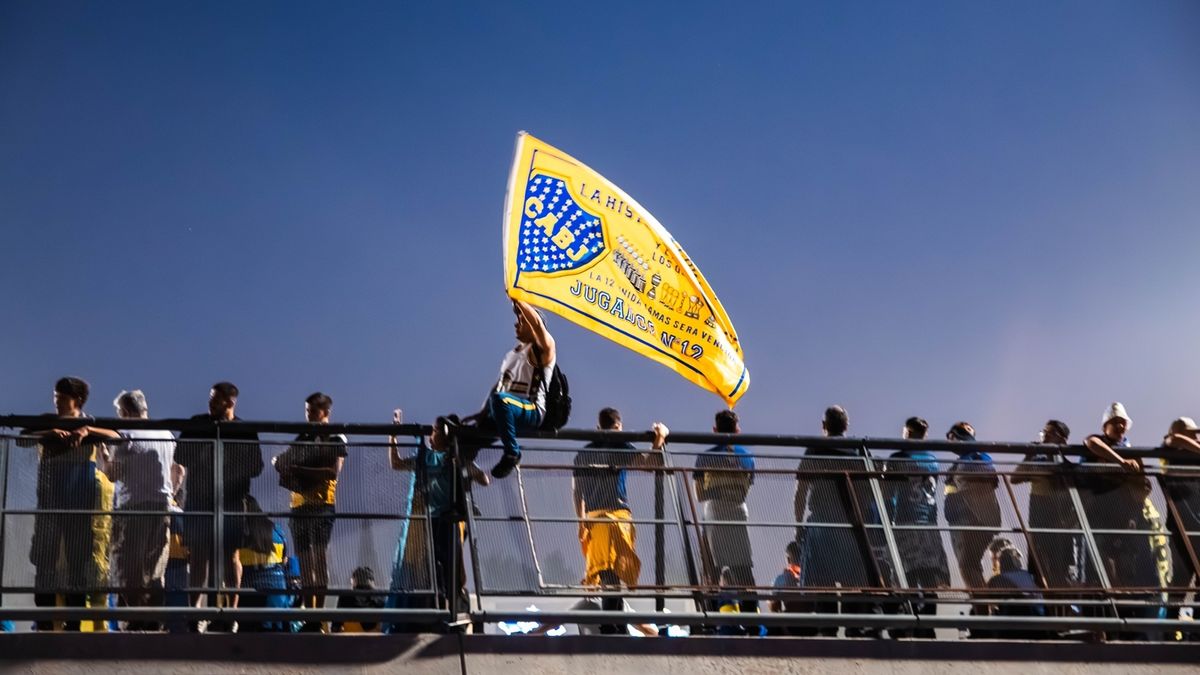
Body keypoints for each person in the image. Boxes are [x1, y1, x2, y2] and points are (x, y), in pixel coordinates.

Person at [18, 377, 113, 631]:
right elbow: (21, 438)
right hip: (49, 502)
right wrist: (49, 433)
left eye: (62, 397)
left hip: (79, 503)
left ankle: (73, 623)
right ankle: (45, 622)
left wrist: (87, 431)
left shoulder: (89, 423)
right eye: (55, 396)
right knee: (45, 560)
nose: (56, 401)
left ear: (77, 401)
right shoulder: (48, 420)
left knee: (77, 561)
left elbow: (118, 435)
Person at [386, 415, 490, 631]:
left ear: (443, 435)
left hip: (447, 521)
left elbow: (484, 479)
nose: (431, 435)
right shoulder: (427, 457)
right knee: (435, 572)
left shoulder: (453, 458)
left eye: (434, 431)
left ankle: (456, 619)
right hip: (431, 522)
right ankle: (438, 617)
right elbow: (396, 464)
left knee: (452, 572)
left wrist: (463, 466)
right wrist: (393, 435)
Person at [174, 382, 264, 629]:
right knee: (199, 555)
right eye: (210, 399)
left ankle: (230, 614)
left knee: (230, 554)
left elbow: (257, 466)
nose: (210, 404)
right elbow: (180, 456)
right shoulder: (197, 422)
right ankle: (196, 613)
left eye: (215, 400)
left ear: (230, 402)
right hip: (200, 498)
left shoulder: (244, 430)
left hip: (231, 499)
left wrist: (231, 463)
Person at [572, 408, 668, 634]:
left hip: (594, 519)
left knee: (608, 574)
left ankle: (614, 625)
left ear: (598, 428)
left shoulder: (583, 453)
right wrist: (660, 438)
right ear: (619, 427)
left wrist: (581, 520)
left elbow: (577, 492)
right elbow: (651, 465)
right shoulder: (620, 445)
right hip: (617, 516)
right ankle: (612, 626)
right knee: (613, 575)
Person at [89, 390, 176, 631]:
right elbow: (174, 470)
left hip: (132, 508)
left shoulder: (124, 435)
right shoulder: (167, 434)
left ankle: (135, 620)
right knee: (155, 567)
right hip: (162, 507)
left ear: (125, 412)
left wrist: (104, 456)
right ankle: (155, 620)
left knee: (127, 565)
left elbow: (113, 474)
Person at [1080, 403, 1166, 638]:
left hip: (1126, 519)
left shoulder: (1132, 451)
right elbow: (1091, 442)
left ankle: (1124, 627)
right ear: (1105, 425)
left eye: (1123, 423)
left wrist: (1135, 482)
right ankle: (1098, 627)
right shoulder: (1100, 444)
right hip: (1098, 517)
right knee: (1099, 572)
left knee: (1126, 575)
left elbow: (1143, 488)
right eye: (1115, 422)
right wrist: (1120, 462)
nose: (1120, 426)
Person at [792, 405, 877, 637]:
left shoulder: (816, 449)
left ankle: (828, 629)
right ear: (847, 426)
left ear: (824, 426)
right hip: (852, 524)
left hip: (822, 522)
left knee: (823, 581)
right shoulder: (859, 449)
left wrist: (798, 525)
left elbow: (801, 491)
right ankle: (854, 628)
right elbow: (871, 488)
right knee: (853, 580)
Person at [273, 392, 347, 631]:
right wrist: (280, 463)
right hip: (299, 505)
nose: (308, 416)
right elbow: (285, 459)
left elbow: (332, 472)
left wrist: (298, 468)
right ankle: (309, 616)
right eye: (307, 412)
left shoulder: (336, 436)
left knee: (319, 558)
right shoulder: (302, 436)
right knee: (305, 562)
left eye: (313, 412)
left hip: (322, 505)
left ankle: (318, 617)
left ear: (325, 412)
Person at [468, 299, 557, 479]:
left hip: (530, 410)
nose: (516, 323)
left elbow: (538, 324)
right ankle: (463, 481)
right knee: (462, 440)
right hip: (502, 410)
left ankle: (512, 453)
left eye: (522, 321)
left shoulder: (542, 349)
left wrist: (519, 300)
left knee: (501, 400)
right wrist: (483, 412)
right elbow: (499, 385)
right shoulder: (513, 353)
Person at [881, 416, 950, 638]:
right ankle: (927, 626)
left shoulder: (898, 457)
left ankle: (905, 623)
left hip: (904, 522)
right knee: (929, 579)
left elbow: (887, 492)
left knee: (905, 577)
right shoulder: (933, 459)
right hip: (928, 524)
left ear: (907, 432)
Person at [694, 410, 759, 631]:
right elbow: (747, 488)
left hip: (714, 512)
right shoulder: (748, 456)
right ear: (738, 430)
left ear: (714, 430)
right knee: (743, 569)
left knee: (712, 569)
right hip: (738, 511)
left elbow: (699, 495)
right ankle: (752, 622)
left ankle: (710, 622)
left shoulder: (705, 457)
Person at [1012, 420, 1084, 592]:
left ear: (1062, 439)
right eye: (1043, 432)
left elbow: (1079, 503)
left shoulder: (1067, 467)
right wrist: (1030, 455)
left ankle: (1060, 611)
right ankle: (1044, 609)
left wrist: (1067, 522)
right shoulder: (1037, 460)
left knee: (1059, 571)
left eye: (1050, 434)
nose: (1044, 436)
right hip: (1039, 520)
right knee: (1039, 570)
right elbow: (1014, 478)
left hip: (1060, 526)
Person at [943, 422, 1001, 590]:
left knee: (967, 566)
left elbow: (980, 483)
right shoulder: (980, 457)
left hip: (970, 520)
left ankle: (984, 609)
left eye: (952, 437)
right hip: (974, 519)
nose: (949, 442)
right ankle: (984, 607)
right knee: (972, 565)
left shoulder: (973, 459)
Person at [1162, 416, 1200, 626]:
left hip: (1197, 523)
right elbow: (1173, 439)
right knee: (1181, 580)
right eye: (1191, 433)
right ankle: (1170, 627)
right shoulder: (1170, 449)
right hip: (1181, 526)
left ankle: (1194, 629)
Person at [236, 495, 294, 632]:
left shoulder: (239, 535)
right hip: (277, 598)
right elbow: (284, 560)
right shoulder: (277, 531)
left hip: (249, 598)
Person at [975, 538, 1046, 640]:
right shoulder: (1030, 576)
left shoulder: (997, 580)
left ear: (1000, 560)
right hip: (1040, 625)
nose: (993, 564)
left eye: (994, 559)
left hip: (1013, 629)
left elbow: (988, 607)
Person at [331, 566, 386, 633]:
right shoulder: (381, 597)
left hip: (351, 638)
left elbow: (335, 626)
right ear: (371, 581)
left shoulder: (346, 597)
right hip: (375, 639)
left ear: (355, 580)